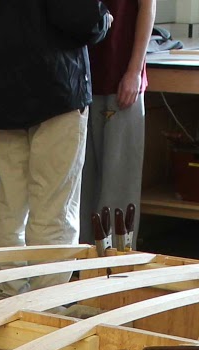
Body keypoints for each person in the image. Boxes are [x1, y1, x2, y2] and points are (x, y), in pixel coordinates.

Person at [0, 0, 109, 294]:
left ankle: (9, 293)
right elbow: (78, 16)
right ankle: (50, 304)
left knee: (10, 205)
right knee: (53, 208)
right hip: (56, 86)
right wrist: (102, 20)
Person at [81, 0, 154, 245]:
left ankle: (116, 268)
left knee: (118, 191)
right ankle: (82, 270)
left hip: (121, 82)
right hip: (79, 83)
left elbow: (147, 7)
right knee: (82, 192)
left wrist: (134, 71)